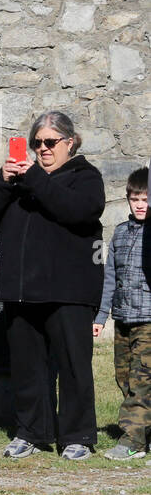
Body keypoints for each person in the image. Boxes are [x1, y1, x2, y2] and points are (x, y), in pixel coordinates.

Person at [0, 111, 104, 460]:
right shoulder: (21, 180)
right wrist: (3, 180)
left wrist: (33, 177)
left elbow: (78, 211)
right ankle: (31, 432)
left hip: (69, 291)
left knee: (73, 366)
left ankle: (77, 436)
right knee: (27, 366)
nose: (43, 149)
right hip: (23, 290)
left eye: (50, 142)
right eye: (36, 143)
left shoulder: (85, 177)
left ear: (70, 142)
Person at [94, 167, 151, 460]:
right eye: (134, 199)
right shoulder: (118, 234)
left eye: (145, 198)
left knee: (142, 381)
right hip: (123, 319)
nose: (140, 204)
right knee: (125, 379)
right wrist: (101, 316)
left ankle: (132, 441)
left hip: (148, 321)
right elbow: (109, 278)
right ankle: (145, 432)